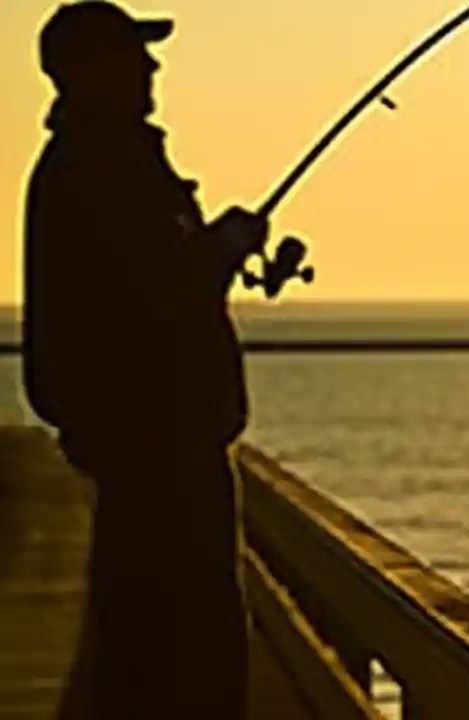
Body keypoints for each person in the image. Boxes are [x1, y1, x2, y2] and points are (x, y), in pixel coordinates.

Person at [21, 2, 267, 717]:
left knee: (148, 651)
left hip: (146, 453)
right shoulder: (102, 167)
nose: (152, 66)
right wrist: (220, 247)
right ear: (90, 69)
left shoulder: (94, 163)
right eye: (135, 53)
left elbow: (147, 291)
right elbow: (149, 295)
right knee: (184, 658)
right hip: (158, 456)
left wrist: (215, 252)